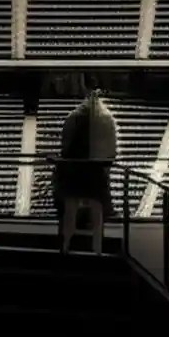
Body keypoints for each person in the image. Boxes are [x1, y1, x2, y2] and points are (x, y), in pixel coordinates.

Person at [53, 90, 118, 253]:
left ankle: (66, 245)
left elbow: (65, 145)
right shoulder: (106, 118)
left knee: (70, 209)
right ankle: (97, 248)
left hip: (74, 168)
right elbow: (111, 149)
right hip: (96, 169)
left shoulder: (73, 117)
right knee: (97, 211)